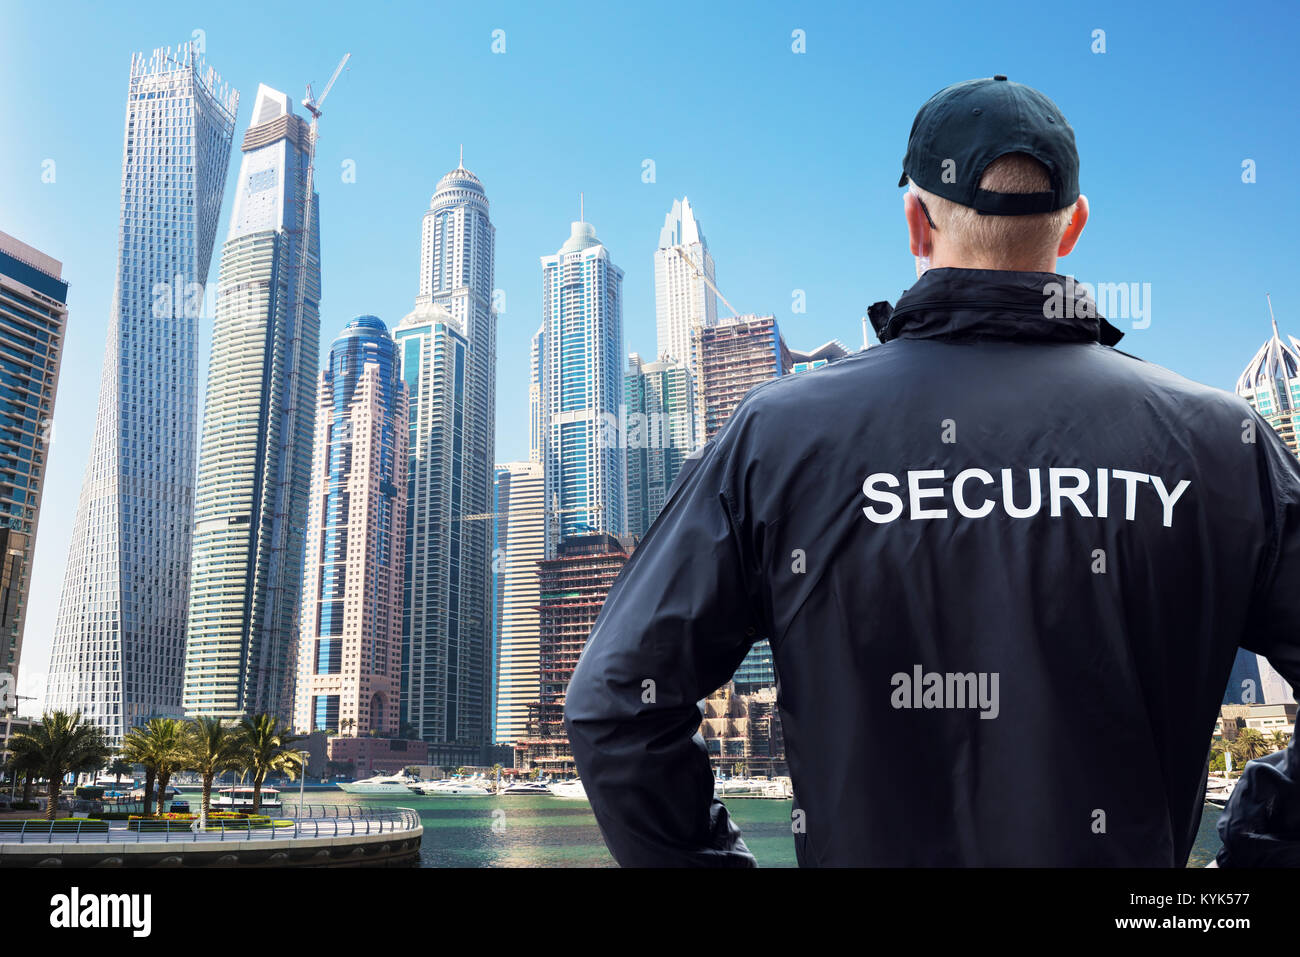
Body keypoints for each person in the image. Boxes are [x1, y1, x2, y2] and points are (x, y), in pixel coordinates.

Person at [564, 76, 1300, 866]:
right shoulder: (1223, 443)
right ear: (1074, 225)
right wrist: (1254, 853)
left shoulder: (779, 434)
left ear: (916, 221)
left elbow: (615, 703)